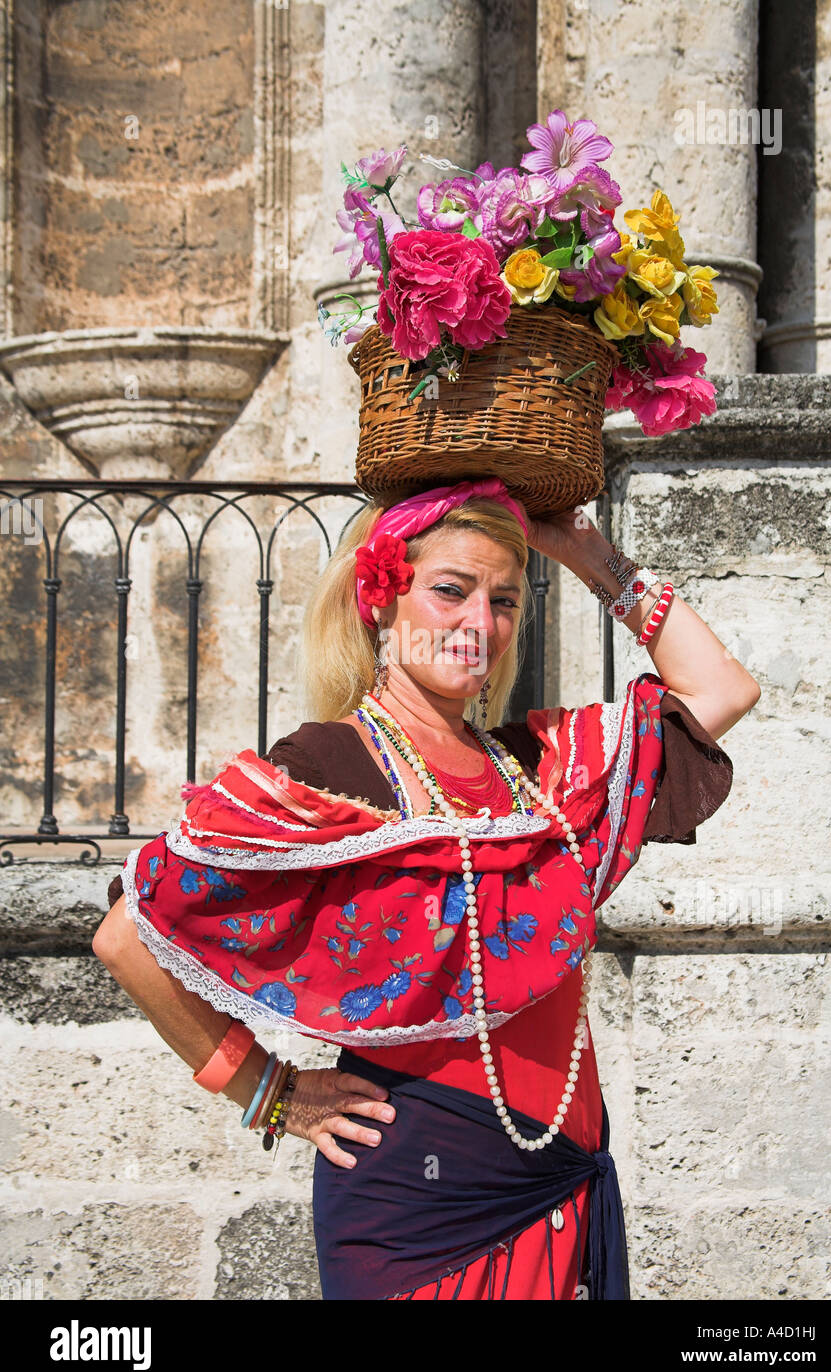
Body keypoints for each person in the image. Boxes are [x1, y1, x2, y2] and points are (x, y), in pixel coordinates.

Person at [94, 476, 759, 1300]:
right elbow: (127, 934)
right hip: (418, 1207)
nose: (480, 623)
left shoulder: (539, 770)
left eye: (505, 601)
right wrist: (271, 1092)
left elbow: (722, 692)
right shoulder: (329, 764)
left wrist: (589, 555)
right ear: (383, 597)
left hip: (564, 1177)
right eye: (451, 590)